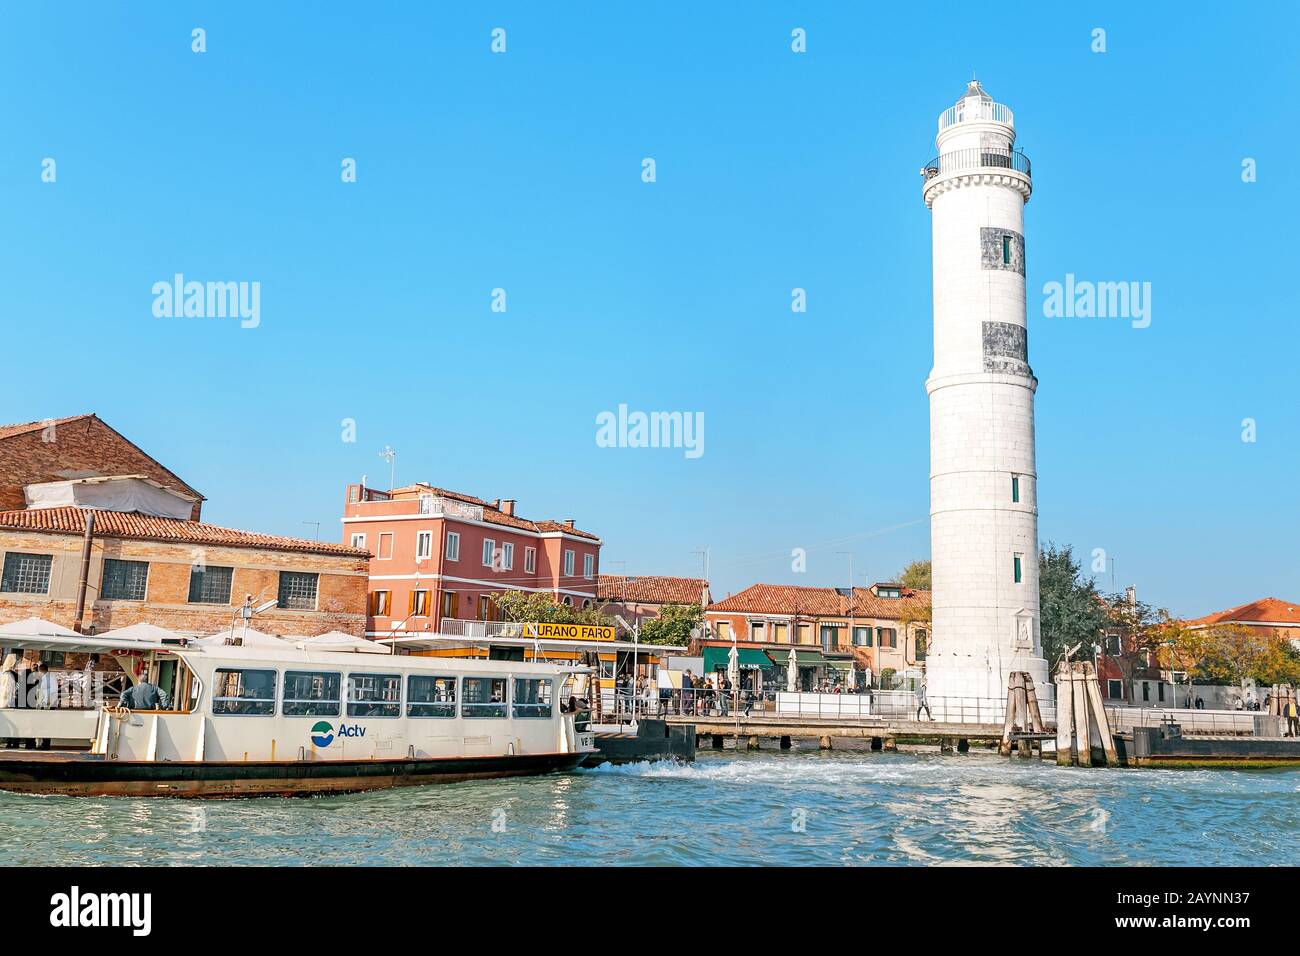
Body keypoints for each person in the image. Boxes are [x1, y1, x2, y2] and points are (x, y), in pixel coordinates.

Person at [0, 652, 20, 748]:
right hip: (8, 704)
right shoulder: (9, 675)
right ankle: (9, 742)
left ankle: (9, 742)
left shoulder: (5, 674)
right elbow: (8, 691)